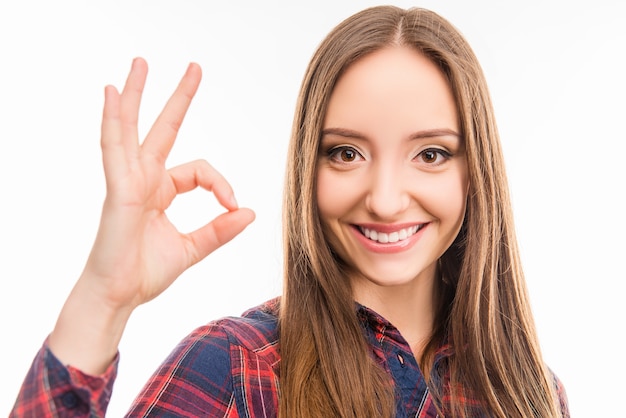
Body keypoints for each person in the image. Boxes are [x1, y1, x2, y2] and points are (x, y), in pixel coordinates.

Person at [11, 5, 569, 417]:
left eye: (431, 154)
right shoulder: (233, 368)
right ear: (309, 166)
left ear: (476, 173)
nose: (384, 198)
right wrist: (102, 298)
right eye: (346, 153)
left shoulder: (528, 394)